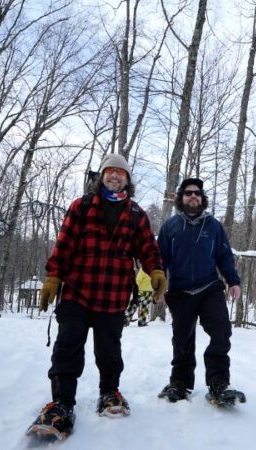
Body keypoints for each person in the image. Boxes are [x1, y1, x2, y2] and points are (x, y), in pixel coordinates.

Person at [27, 153, 167, 443]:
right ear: (101, 176)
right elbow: (63, 246)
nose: (115, 176)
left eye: (121, 173)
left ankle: (109, 392)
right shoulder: (82, 206)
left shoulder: (137, 214)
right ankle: (61, 404)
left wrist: (155, 270)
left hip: (114, 295)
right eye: (109, 172)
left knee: (109, 350)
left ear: (128, 179)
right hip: (77, 291)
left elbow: (148, 249)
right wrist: (53, 277)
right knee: (67, 348)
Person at [156, 178, 245, 406]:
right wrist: (159, 286)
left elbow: (224, 256)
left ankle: (218, 384)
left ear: (202, 198)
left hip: (209, 287)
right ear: (181, 198)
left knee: (221, 330)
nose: (193, 196)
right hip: (179, 291)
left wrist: (233, 281)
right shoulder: (170, 227)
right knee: (182, 338)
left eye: (197, 193)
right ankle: (180, 383)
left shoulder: (213, 226)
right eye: (188, 193)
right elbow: (160, 260)